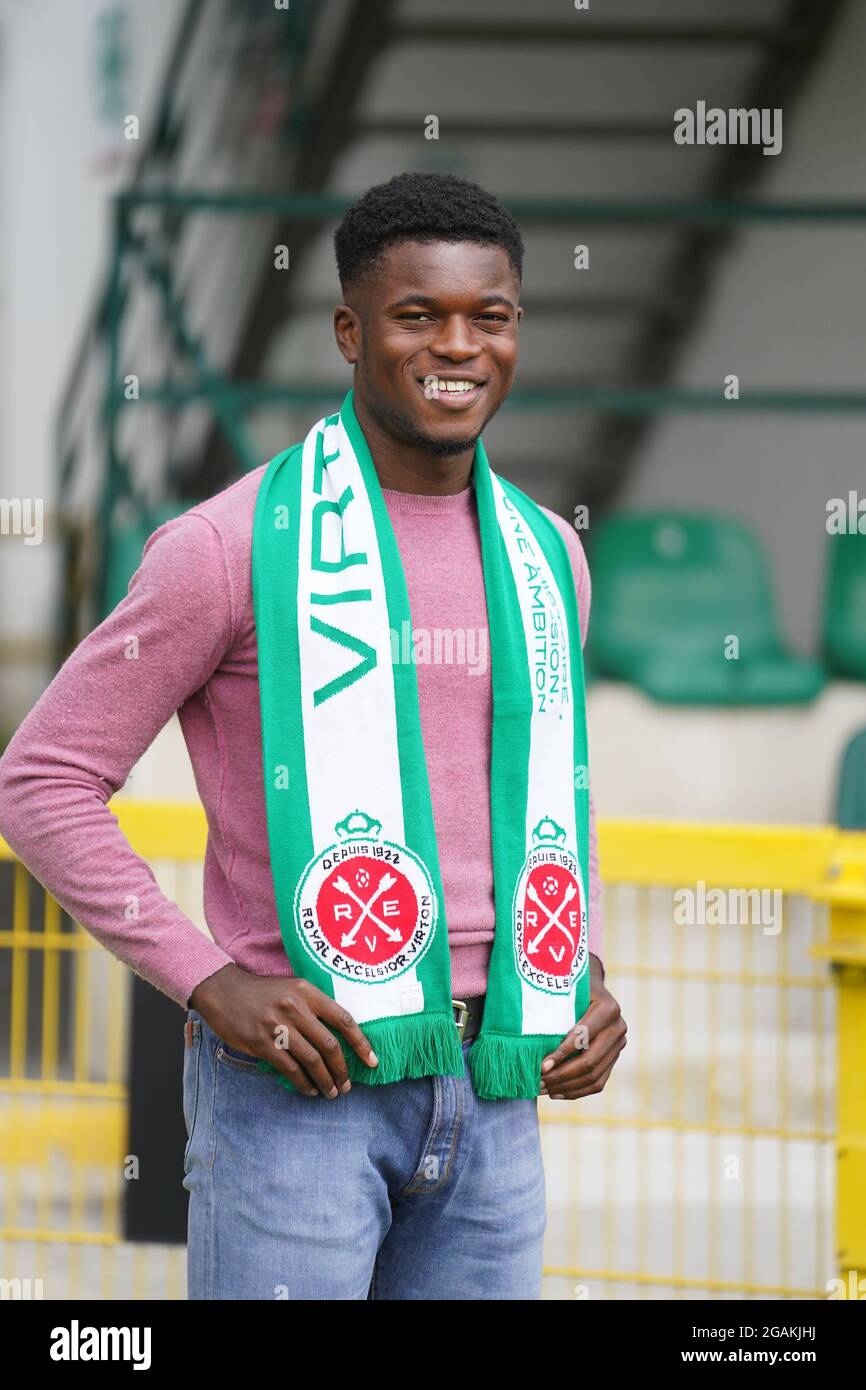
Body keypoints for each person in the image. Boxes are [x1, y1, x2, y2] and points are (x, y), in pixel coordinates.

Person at [0, 171, 626, 1300]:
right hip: (298, 1096)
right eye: (415, 315)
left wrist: (575, 969)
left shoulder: (548, 556)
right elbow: (42, 779)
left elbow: (528, 798)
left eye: (489, 317)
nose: (458, 346)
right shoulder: (224, 548)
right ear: (349, 330)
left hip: (496, 1090)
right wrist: (203, 980)